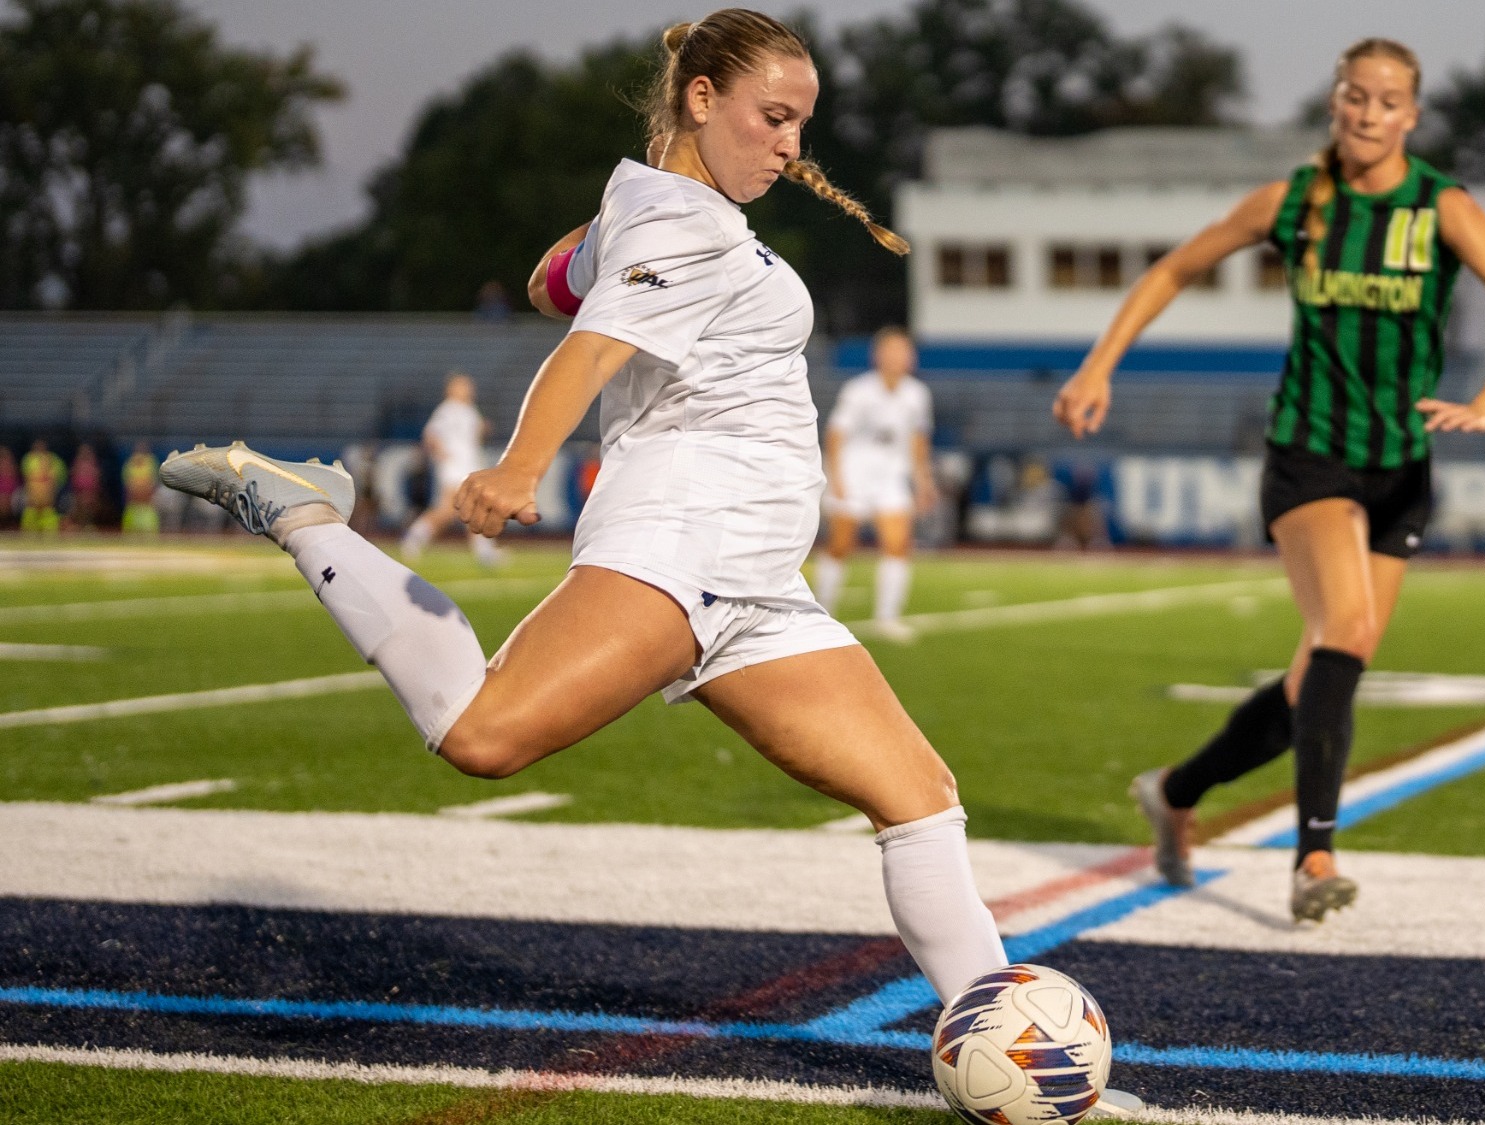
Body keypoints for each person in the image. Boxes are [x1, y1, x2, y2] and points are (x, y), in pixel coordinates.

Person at [159, 8, 1026, 1032]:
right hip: (686, 542)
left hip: (753, 583)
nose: (790, 144)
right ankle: (305, 514)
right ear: (701, 100)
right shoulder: (681, 221)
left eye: (800, 123)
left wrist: (616, 225)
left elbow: (548, 284)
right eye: (773, 117)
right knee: (481, 735)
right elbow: (587, 345)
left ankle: (1004, 1032)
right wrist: (519, 466)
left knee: (919, 797)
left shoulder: (661, 212)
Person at [1054, 37, 1485, 922]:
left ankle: (1176, 791)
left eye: (1387, 100)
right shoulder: (1297, 202)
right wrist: (1100, 365)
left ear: (1413, 116)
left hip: (1403, 467)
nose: (1367, 113)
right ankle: (1314, 855)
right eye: (1354, 96)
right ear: (1336, 102)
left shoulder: (1443, 208)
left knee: (1320, 676)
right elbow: (1175, 266)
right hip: (1309, 455)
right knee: (1347, 631)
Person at [811, 327, 936, 641]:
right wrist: (835, 476)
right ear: (877, 355)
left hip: (892, 475)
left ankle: (888, 616)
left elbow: (918, 439)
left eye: (903, 350)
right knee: (840, 545)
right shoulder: (859, 390)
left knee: (897, 544)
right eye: (891, 350)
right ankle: (822, 614)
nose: (898, 357)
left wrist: (922, 480)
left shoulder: (917, 394)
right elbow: (836, 434)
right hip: (854, 473)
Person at [401, 372, 502, 566]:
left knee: (474, 508)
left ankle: (484, 553)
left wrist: (483, 429)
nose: (469, 389)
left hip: (468, 466)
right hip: (455, 468)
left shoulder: (469, 410)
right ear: (452, 389)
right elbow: (431, 434)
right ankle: (413, 538)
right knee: (448, 510)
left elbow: (473, 437)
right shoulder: (448, 410)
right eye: (464, 385)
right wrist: (440, 453)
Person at [20, 440, 64, 536]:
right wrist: (33, 492)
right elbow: (27, 478)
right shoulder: (28, 459)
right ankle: (28, 534)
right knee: (31, 510)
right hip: (33, 493)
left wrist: (48, 491)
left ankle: (50, 534)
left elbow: (56, 479)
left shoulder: (53, 460)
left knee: (48, 510)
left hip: (48, 493)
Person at [122, 443, 161, 535]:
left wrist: (145, 492)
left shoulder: (151, 462)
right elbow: (128, 486)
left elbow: (152, 484)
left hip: (147, 506)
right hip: (133, 505)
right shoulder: (129, 464)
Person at [68, 443, 102, 530]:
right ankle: (79, 524)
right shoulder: (77, 463)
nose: (85, 453)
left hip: (90, 491)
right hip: (79, 491)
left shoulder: (93, 463)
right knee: (79, 509)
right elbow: (73, 477)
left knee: (89, 509)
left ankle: (89, 525)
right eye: (83, 451)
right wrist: (76, 490)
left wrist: (94, 490)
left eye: (87, 451)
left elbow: (96, 477)